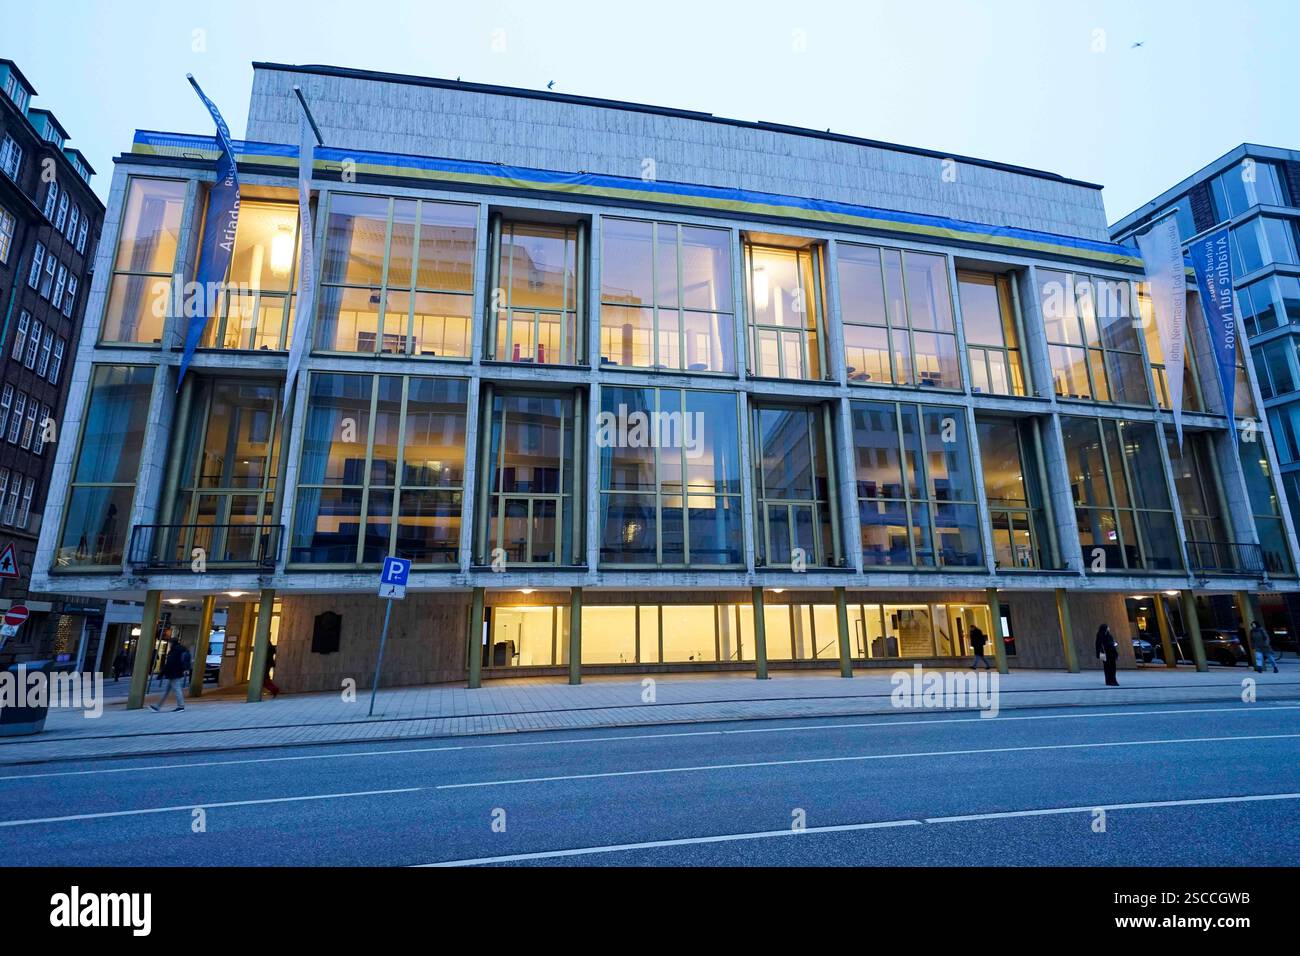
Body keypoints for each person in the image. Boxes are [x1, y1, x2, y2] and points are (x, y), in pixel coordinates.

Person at [149, 635, 190, 712]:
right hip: (177, 671)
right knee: (167, 690)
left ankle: (180, 706)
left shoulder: (174, 651)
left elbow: (169, 663)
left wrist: (162, 673)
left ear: (172, 643)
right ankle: (157, 706)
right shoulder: (182, 649)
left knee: (177, 689)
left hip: (173, 672)